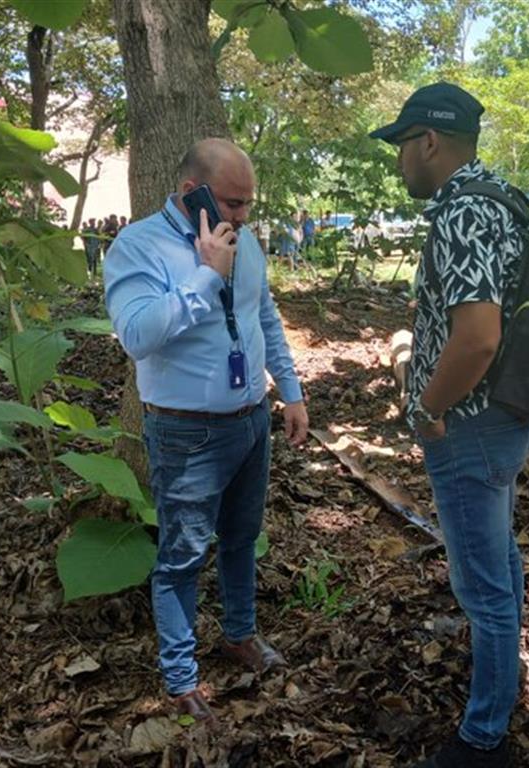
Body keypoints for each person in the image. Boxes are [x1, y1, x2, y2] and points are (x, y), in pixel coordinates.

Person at [103, 137, 308, 722]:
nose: (244, 217)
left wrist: (289, 391)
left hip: (251, 422)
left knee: (242, 538)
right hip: (185, 434)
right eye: (232, 203)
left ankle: (240, 634)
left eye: (249, 204)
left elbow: (261, 314)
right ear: (192, 193)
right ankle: (180, 677)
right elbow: (137, 335)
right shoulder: (136, 246)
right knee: (182, 556)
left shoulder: (246, 242)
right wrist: (203, 277)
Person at [370, 82, 529, 768]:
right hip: (505, 415)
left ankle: (482, 740)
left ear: (428, 141)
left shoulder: (464, 211)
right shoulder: (501, 196)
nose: (399, 161)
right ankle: (505, 678)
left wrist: (428, 409)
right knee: (499, 559)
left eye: (402, 146)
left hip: (468, 422)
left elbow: (477, 339)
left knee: (482, 583)